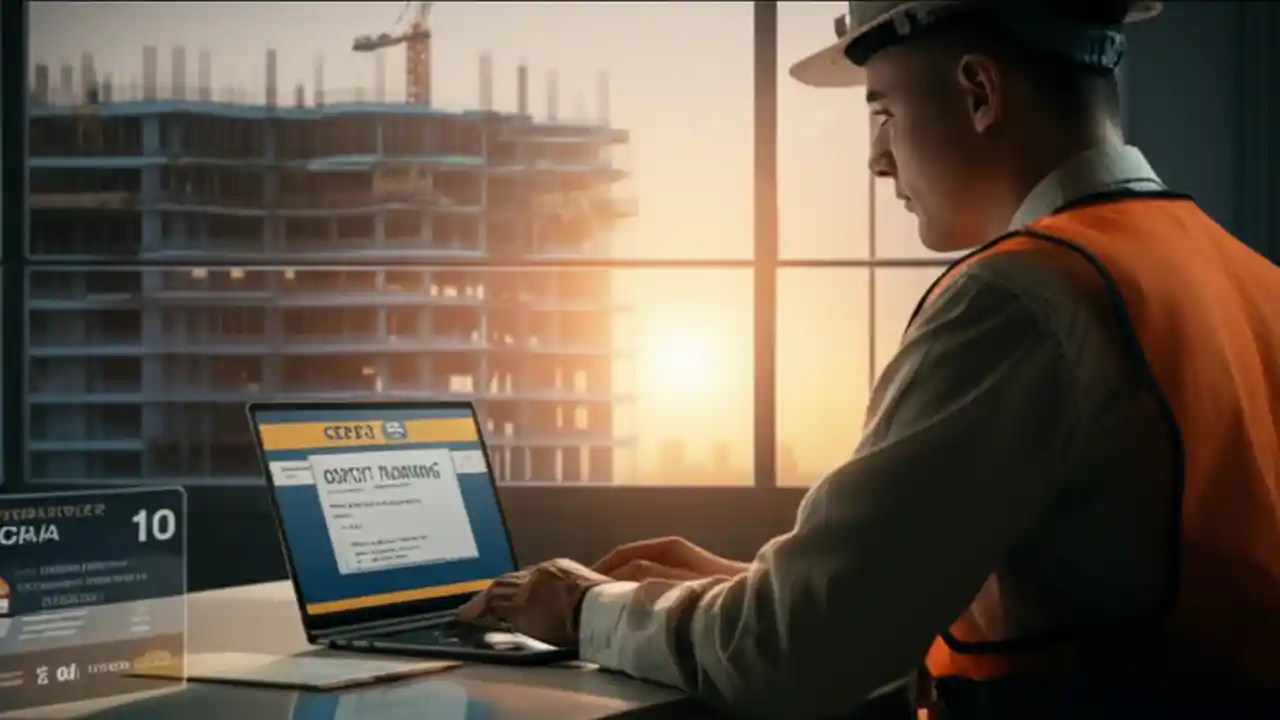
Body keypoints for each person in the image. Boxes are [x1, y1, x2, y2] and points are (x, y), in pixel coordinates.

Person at [459, 1, 1280, 716]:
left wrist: (584, 609)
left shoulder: (1022, 299)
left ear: (979, 91)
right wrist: (762, 591)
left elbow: (792, 661)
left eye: (881, 112)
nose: (876, 159)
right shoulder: (1246, 277)